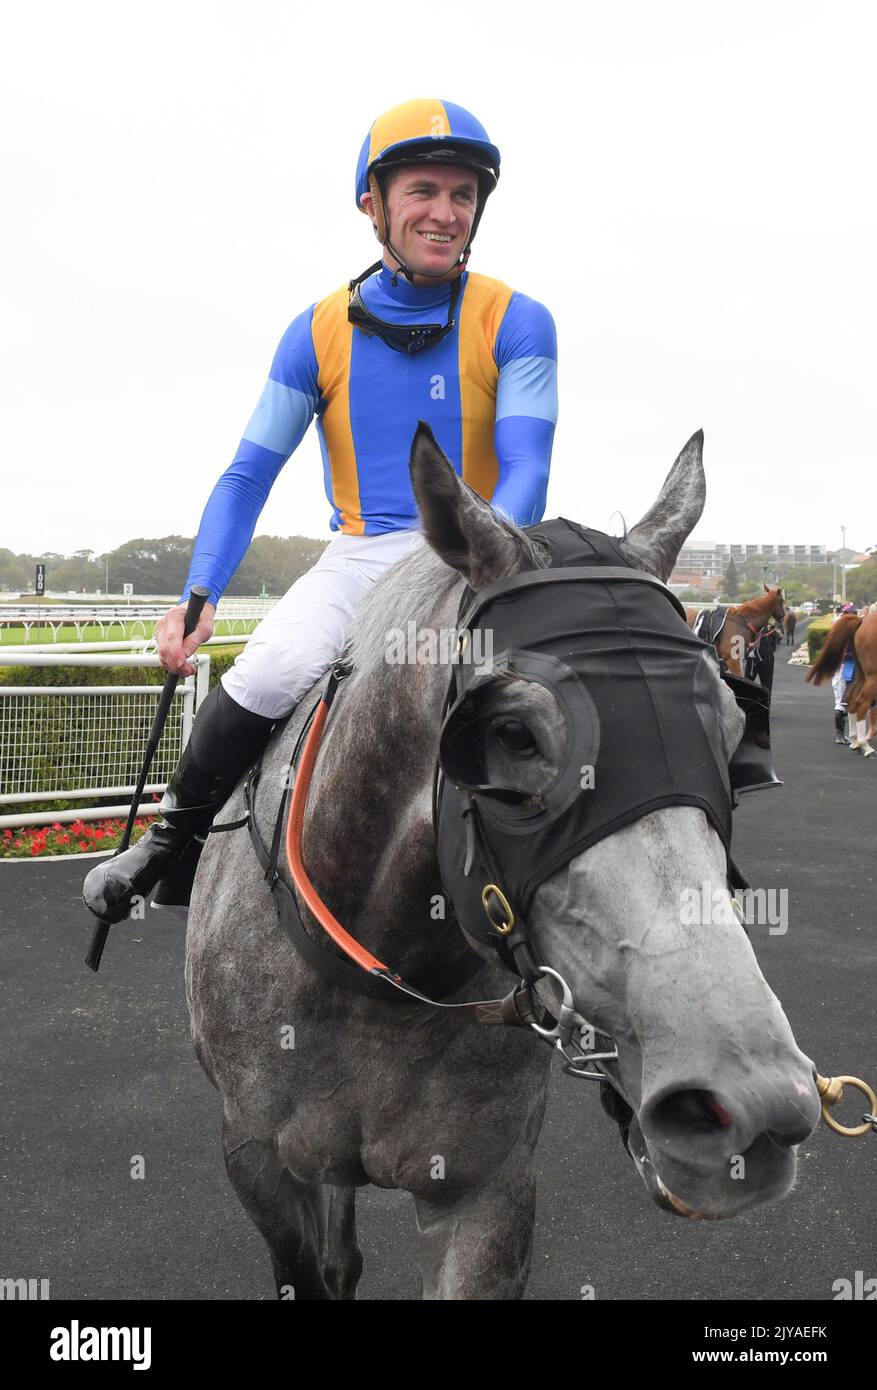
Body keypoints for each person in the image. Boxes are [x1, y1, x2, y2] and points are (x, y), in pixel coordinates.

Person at [83, 98, 558, 925]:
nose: (445, 213)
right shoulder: (314, 331)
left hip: (480, 551)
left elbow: (526, 468)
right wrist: (200, 597)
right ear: (373, 204)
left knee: (563, 701)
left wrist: (483, 563)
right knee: (268, 670)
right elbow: (246, 476)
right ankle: (173, 841)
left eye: (462, 195)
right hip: (359, 556)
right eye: (423, 191)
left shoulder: (517, 320)